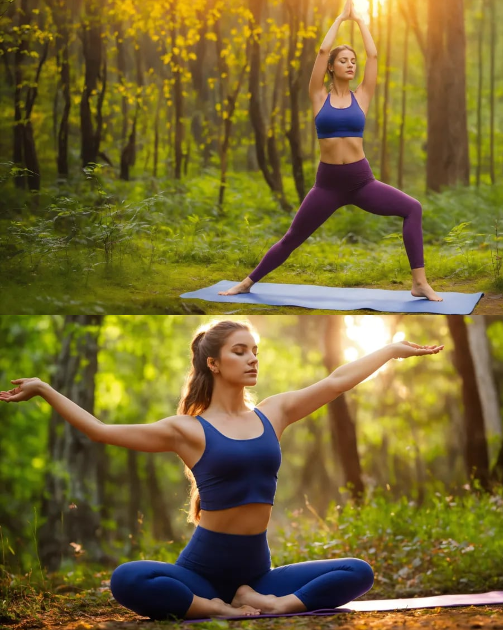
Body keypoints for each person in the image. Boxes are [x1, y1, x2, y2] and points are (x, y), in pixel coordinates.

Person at [0, 320, 444, 619]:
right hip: (201, 572)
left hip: (259, 574)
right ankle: (221, 610)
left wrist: (389, 350)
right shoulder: (187, 430)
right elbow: (99, 430)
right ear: (213, 363)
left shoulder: (275, 412)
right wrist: (44, 389)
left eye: (255, 351)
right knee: (127, 579)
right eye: (240, 352)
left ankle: (271, 605)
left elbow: (336, 381)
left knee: (358, 572)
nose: (252, 359)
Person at [219, 0, 442, 301]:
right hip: (328, 185)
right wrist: (339, 19)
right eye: (345, 60)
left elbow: (374, 54)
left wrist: (361, 20)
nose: (351, 64)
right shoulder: (318, 96)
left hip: (361, 181)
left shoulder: (362, 96)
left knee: (412, 207)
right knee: (292, 238)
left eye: (353, 60)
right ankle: (246, 283)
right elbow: (322, 52)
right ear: (332, 67)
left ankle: (419, 282)